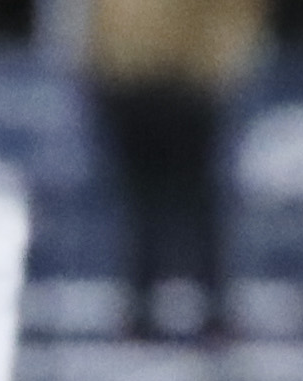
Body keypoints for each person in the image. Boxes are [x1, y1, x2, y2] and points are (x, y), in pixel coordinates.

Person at [80, 0, 269, 342]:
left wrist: (222, 66)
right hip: (130, 76)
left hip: (192, 81)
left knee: (197, 198)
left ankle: (213, 307)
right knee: (141, 199)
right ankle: (141, 306)